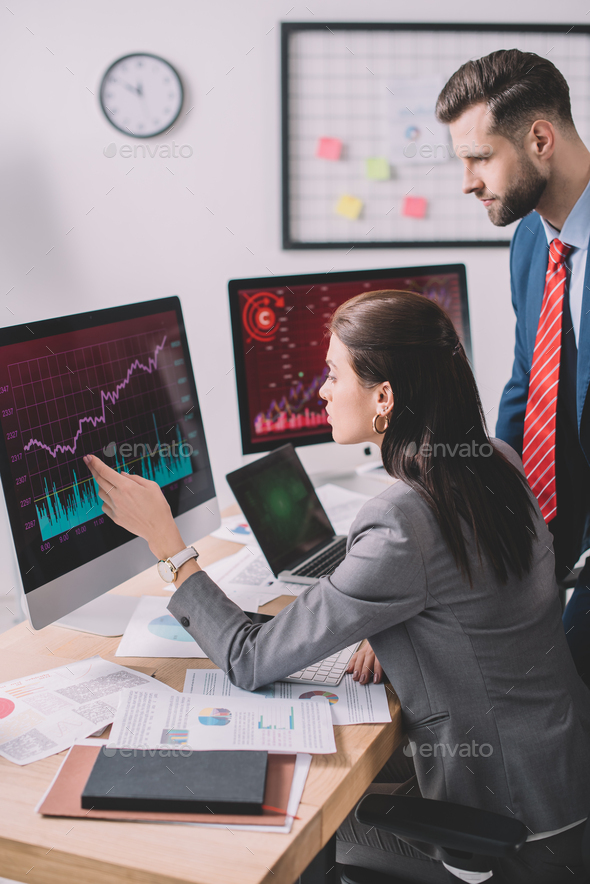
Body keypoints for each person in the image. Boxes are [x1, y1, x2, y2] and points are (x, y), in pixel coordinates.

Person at [84, 289, 590, 883]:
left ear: (385, 397)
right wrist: (395, 621)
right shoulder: (497, 460)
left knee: (286, 832)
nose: (321, 391)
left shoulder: (403, 520)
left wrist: (171, 550)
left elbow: (250, 659)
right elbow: (475, 599)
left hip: (506, 836)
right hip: (564, 790)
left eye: (332, 374)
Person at [436, 48, 590, 687]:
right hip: (555, 533)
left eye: (478, 158)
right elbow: (530, 383)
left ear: (540, 138)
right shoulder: (532, 240)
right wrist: (474, 498)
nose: (467, 181)